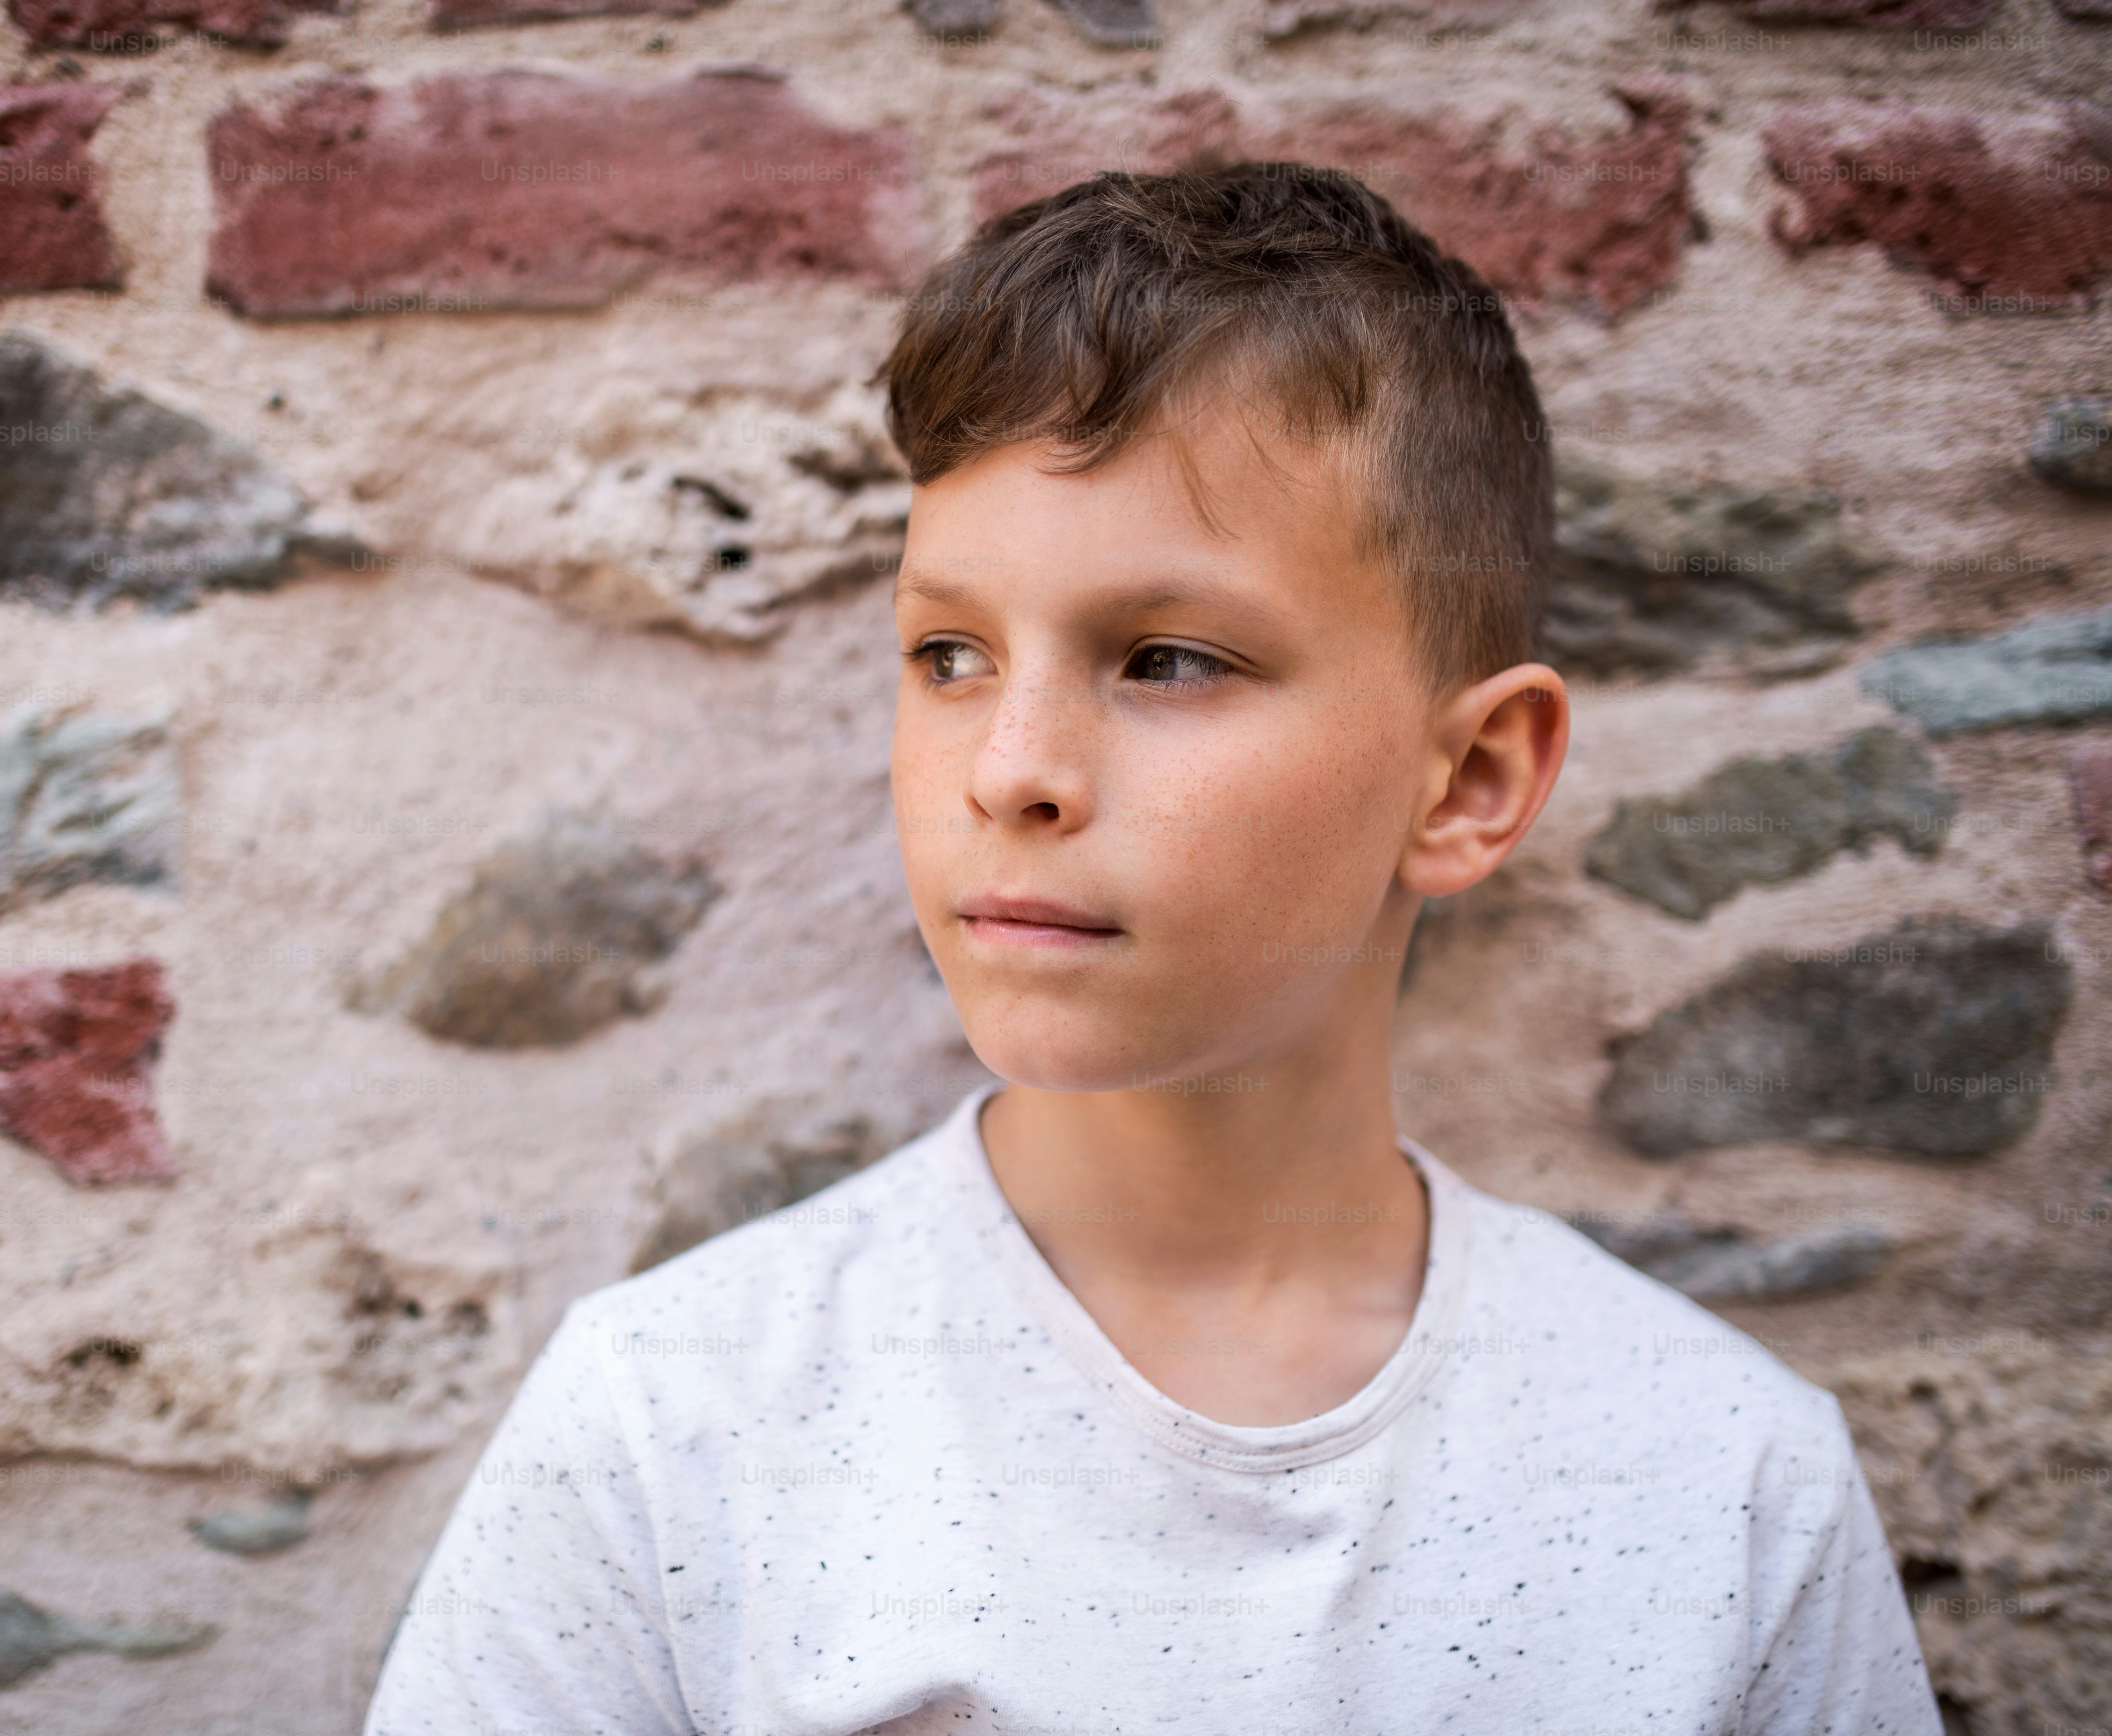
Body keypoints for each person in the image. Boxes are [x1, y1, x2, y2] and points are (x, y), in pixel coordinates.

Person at [365, 164, 1939, 1733]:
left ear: (1467, 783)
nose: (1009, 769)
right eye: (949, 655)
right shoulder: (675, 1424)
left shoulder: (1719, 1488)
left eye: (1169, 658)